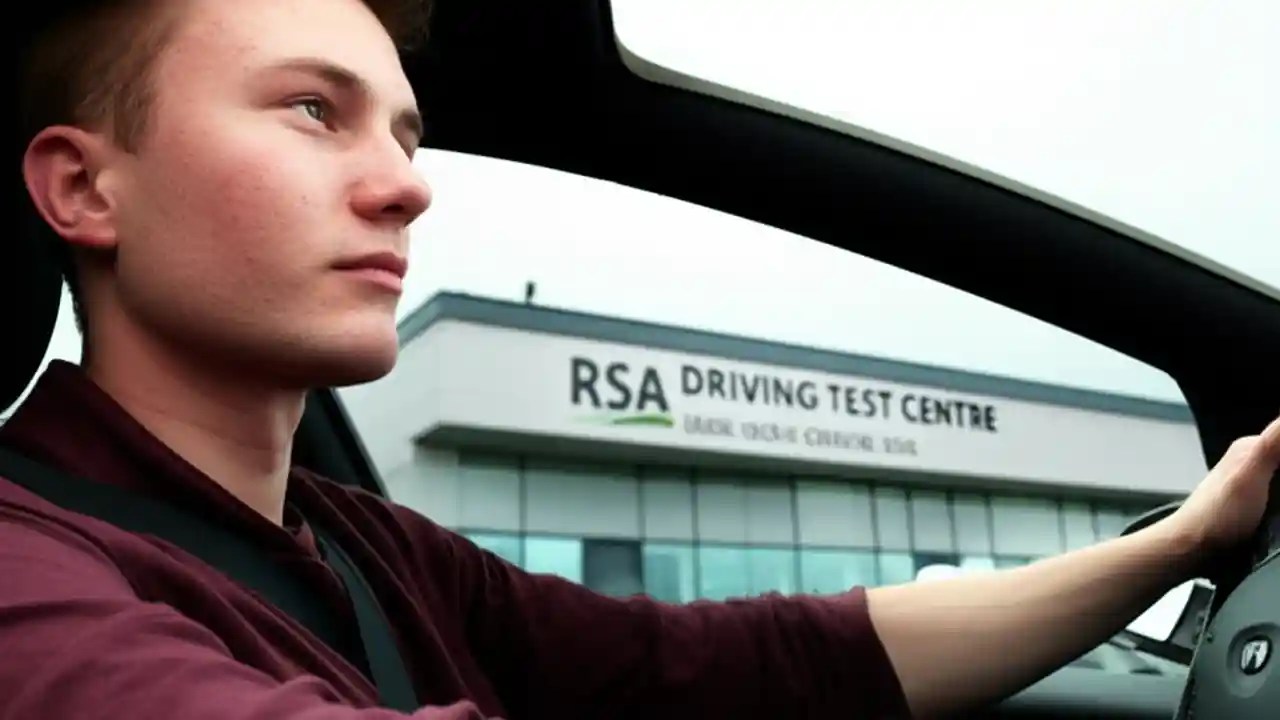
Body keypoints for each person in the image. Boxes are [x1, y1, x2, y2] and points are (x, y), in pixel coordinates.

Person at [2, 0, 1276, 718]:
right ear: (82, 188)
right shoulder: (25, 581)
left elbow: (754, 665)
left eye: (404, 130)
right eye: (309, 110)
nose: (404, 187)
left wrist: (1180, 542)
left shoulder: (369, 553)